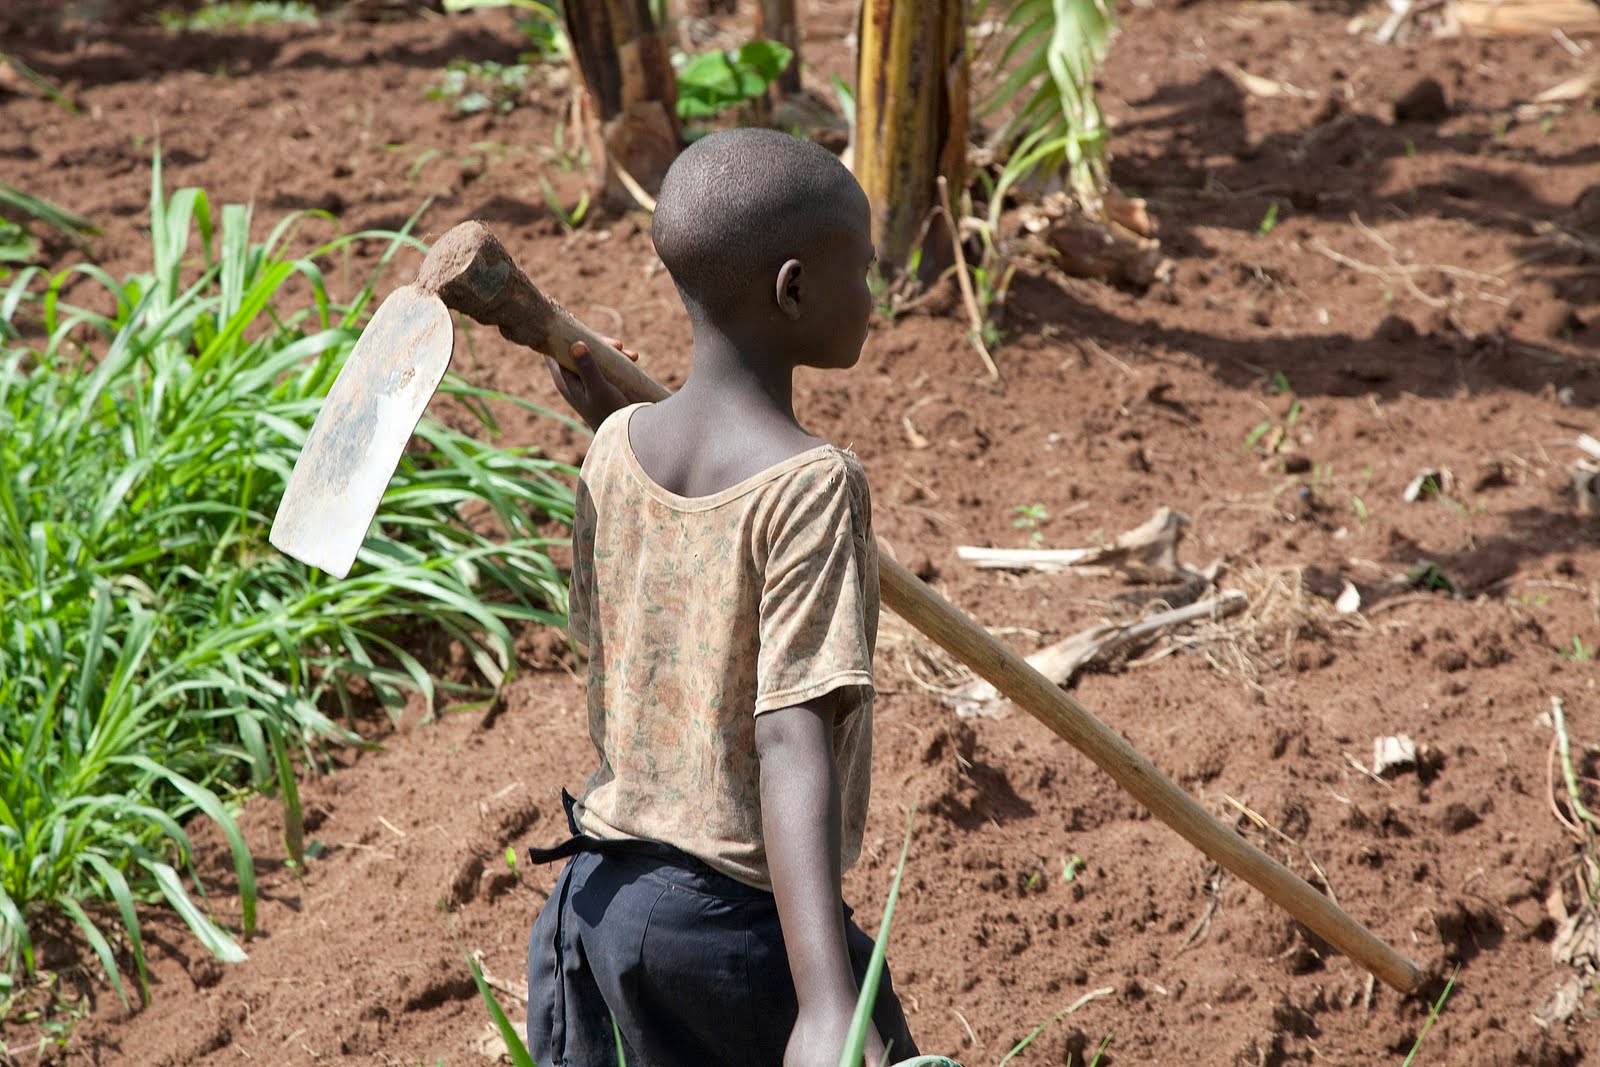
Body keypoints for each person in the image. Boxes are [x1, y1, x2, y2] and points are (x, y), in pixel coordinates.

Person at [523, 127, 918, 1067]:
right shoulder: (810, 483)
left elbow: (629, 632)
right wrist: (824, 1002)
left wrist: (613, 423)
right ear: (792, 289)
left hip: (595, 911)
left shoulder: (615, 450)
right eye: (860, 269)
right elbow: (789, 732)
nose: (874, 293)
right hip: (730, 936)